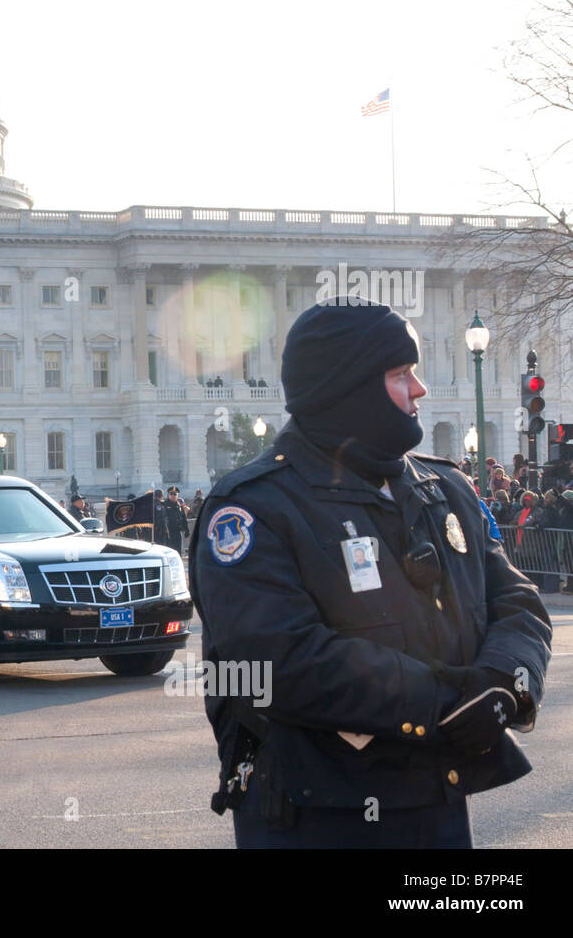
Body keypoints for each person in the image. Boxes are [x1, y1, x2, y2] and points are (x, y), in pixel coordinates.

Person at [191, 298, 551, 848]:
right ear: (347, 388)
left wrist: (504, 682)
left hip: (436, 804)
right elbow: (276, 662)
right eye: (401, 374)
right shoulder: (253, 508)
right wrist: (450, 700)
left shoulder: (446, 488)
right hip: (316, 816)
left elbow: (517, 602)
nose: (420, 389)